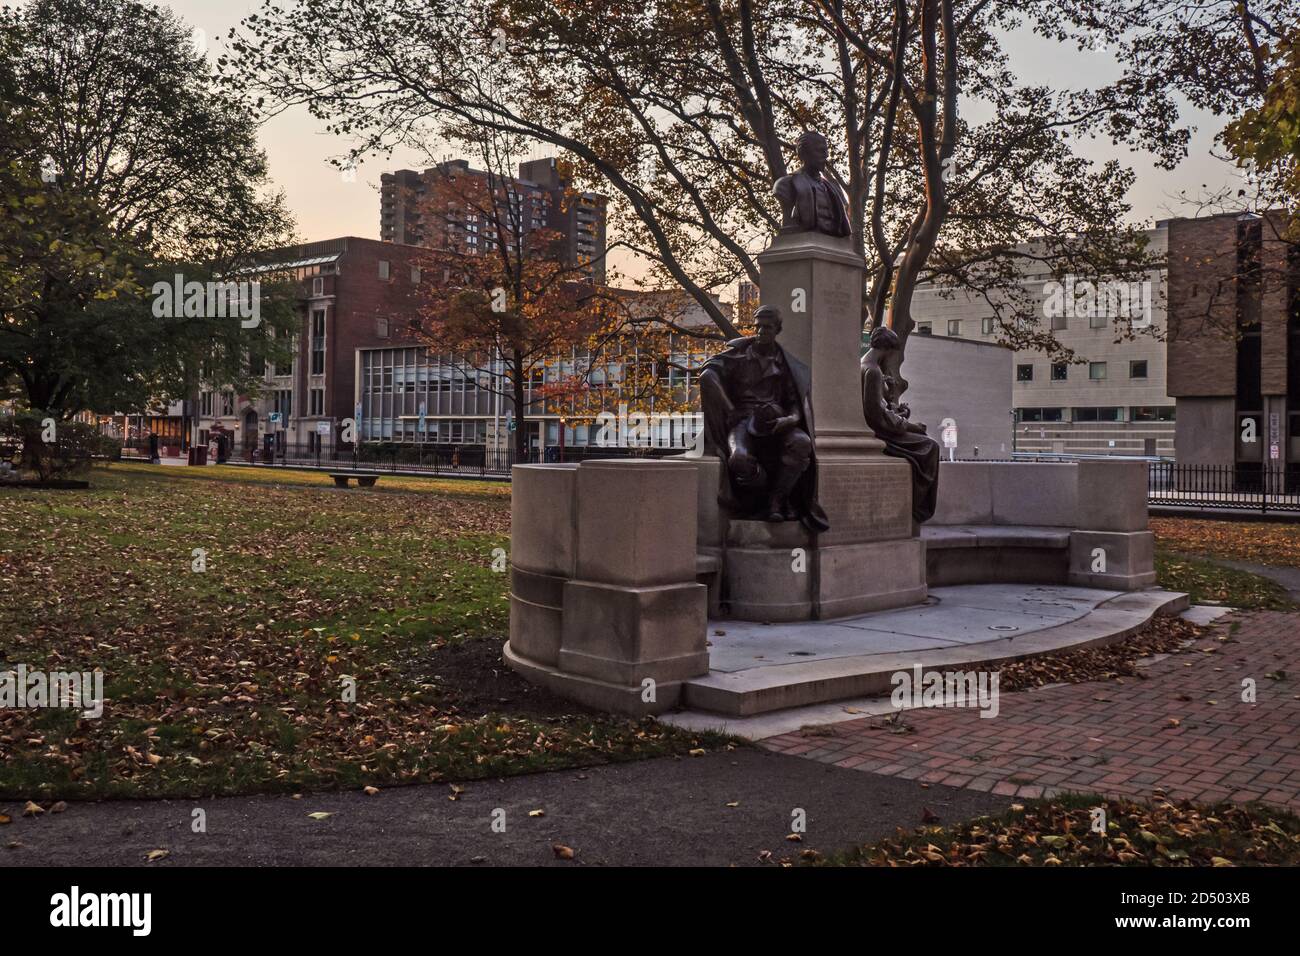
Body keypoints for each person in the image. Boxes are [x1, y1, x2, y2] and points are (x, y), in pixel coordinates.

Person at [700, 304, 829, 530]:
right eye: (757, 326)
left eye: (767, 328)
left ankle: (776, 501)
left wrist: (789, 420)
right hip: (743, 420)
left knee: (801, 443)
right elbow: (707, 375)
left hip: (776, 421)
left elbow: (796, 405)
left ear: (777, 329)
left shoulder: (787, 365)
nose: (760, 332)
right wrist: (730, 409)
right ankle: (761, 497)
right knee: (738, 458)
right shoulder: (738, 356)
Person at [860, 325, 939, 523]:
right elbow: (876, 415)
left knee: (925, 442)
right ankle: (919, 508)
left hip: (884, 427)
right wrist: (910, 426)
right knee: (930, 446)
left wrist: (897, 409)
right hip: (882, 434)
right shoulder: (873, 371)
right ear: (887, 350)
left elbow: (881, 408)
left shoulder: (864, 364)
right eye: (892, 353)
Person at [773, 130, 852, 237]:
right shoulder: (785, 185)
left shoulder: (831, 188)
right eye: (820, 150)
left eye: (826, 151)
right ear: (804, 153)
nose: (826, 155)